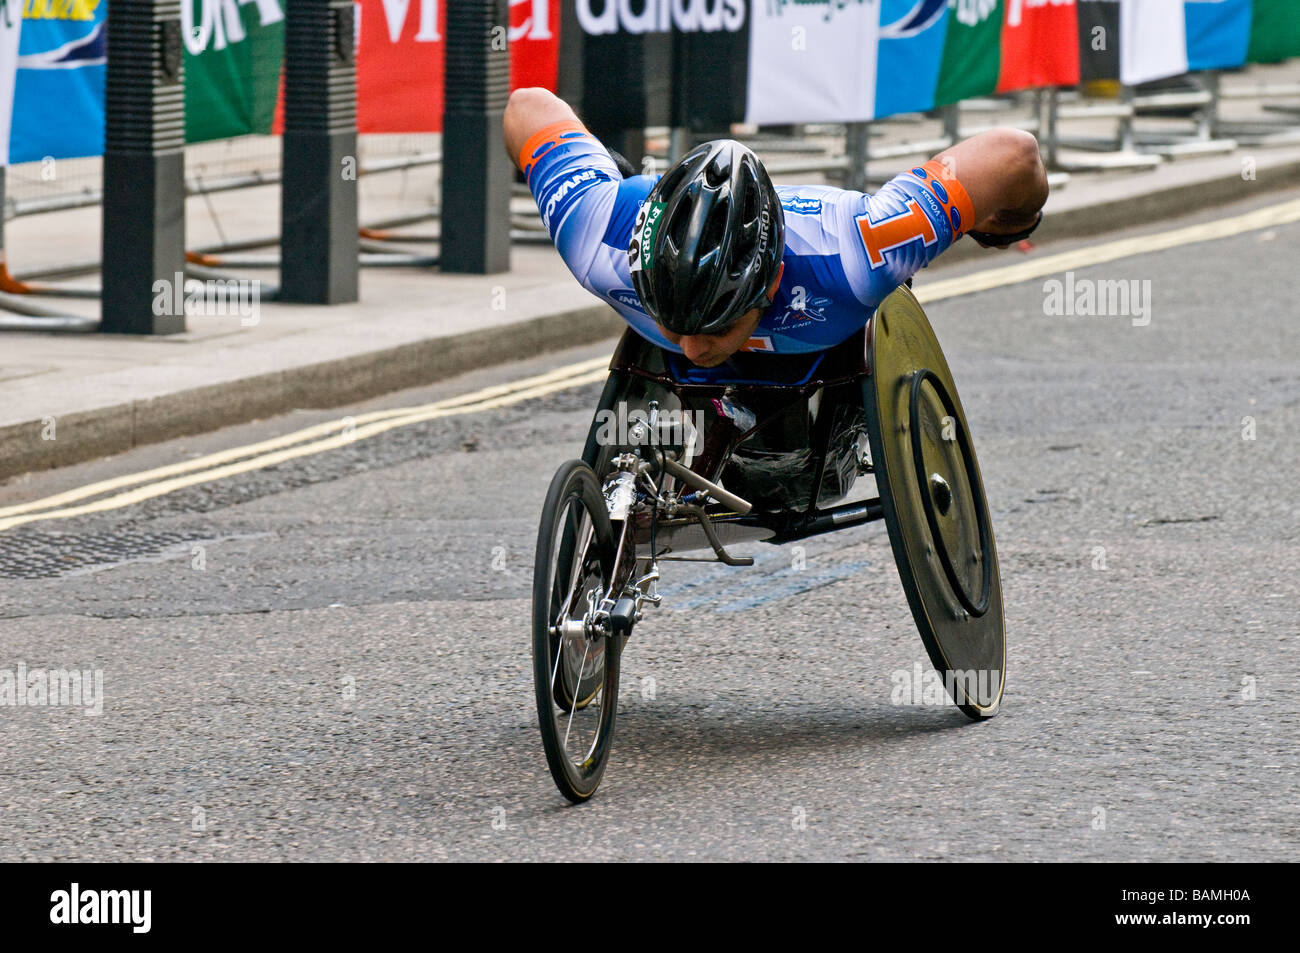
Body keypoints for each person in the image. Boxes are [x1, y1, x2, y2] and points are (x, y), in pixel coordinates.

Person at [503, 88, 1048, 371]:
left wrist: (1005, 222)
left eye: (715, 327)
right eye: (673, 323)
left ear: (771, 282)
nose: (692, 349)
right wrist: (552, 166)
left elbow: (1016, 155)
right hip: (633, 197)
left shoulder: (860, 251)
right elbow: (527, 106)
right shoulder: (595, 234)